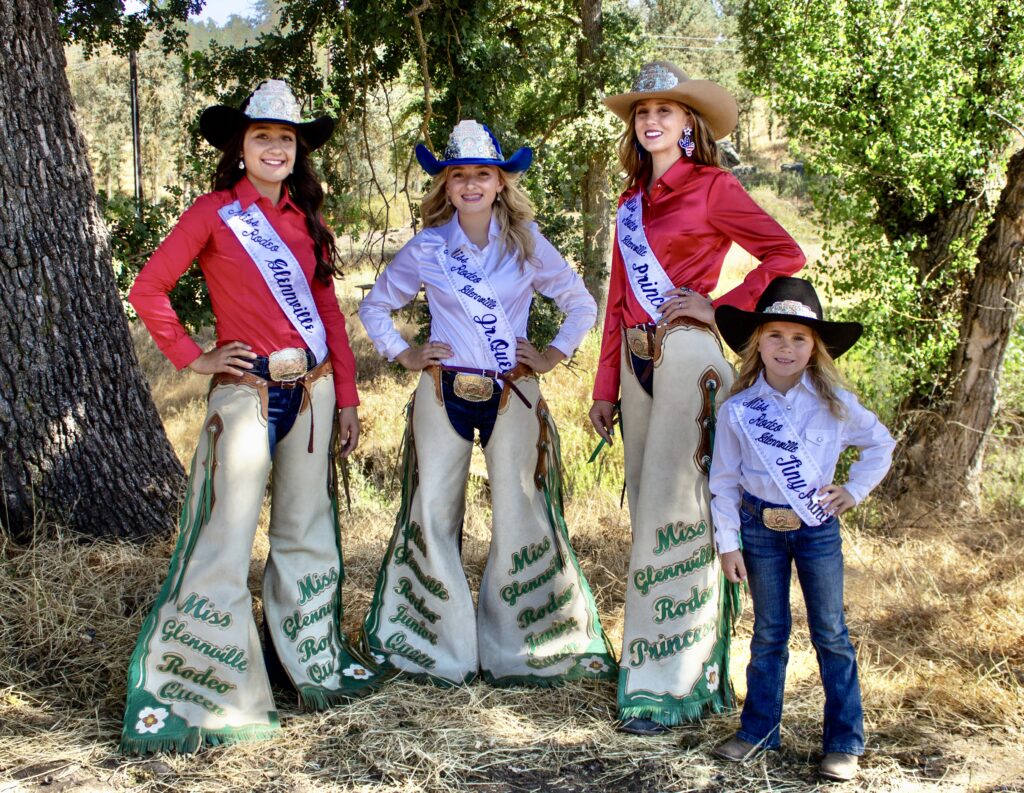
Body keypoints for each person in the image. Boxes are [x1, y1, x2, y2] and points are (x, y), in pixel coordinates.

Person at [120, 80, 377, 754]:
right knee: (225, 538)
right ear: (241, 146)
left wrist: (348, 397)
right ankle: (209, 686)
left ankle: (306, 666)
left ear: (297, 151)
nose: (275, 148)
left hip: (313, 393)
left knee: (305, 532)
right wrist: (193, 356)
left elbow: (329, 315)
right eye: (263, 136)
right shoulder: (214, 213)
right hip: (246, 393)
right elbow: (148, 289)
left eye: (285, 138)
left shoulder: (307, 218)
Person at [588, 61, 808, 734]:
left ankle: (672, 680)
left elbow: (785, 255)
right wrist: (603, 387)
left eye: (666, 110)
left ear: (689, 123)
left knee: (676, 508)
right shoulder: (629, 202)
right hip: (635, 362)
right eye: (643, 112)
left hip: (687, 359)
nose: (652, 120)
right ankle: (657, 659)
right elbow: (618, 299)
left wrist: (721, 307)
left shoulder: (714, 187)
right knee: (646, 508)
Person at [359, 120, 617, 686]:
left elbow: (580, 303)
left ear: (501, 182)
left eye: (483, 174)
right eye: (459, 176)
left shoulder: (527, 241)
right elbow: (375, 306)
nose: (471, 184)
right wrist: (404, 353)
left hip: (513, 390)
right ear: (445, 185)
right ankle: (439, 649)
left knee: (520, 509)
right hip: (442, 390)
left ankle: (521, 648)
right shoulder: (429, 247)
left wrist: (551, 354)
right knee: (433, 511)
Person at [709, 276, 895, 782]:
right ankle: (757, 732)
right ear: (757, 343)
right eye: (774, 335)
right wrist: (728, 543)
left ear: (815, 348)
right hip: (758, 530)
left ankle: (843, 743)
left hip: (816, 530)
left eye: (799, 338)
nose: (786, 347)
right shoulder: (739, 409)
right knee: (769, 633)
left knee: (830, 633)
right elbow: (723, 481)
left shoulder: (835, 403)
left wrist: (853, 490)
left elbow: (880, 445)